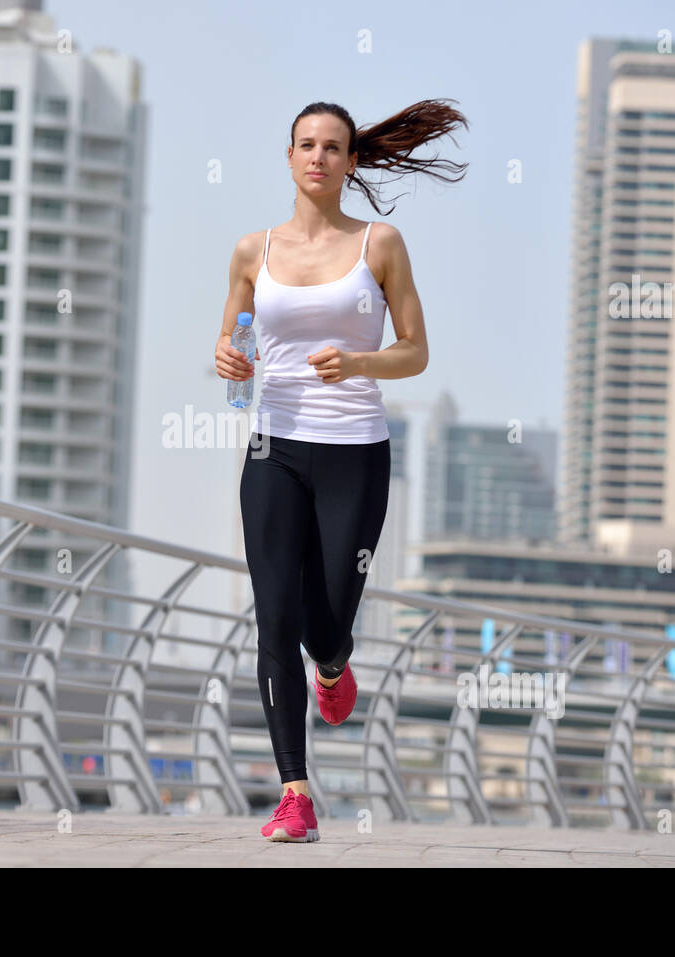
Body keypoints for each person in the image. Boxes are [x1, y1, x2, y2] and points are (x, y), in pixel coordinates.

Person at [214, 99, 468, 842]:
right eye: (306, 145)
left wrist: (359, 361)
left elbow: (416, 351)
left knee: (324, 623)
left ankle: (333, 664)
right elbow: (234, 344)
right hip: (273, 450)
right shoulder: (252, 252)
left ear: (352, 161)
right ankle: (294, 794)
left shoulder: (379, 244)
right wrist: (229, 359)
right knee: (274, 617)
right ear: (289, 157)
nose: (318, 156)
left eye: (333, 146)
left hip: (355, 451)